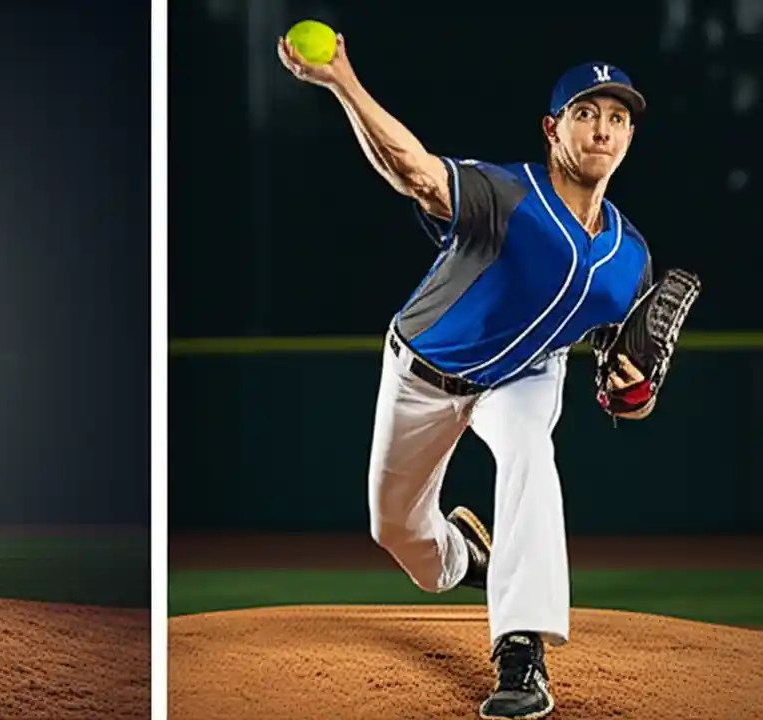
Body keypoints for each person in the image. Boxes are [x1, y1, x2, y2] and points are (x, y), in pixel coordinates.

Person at [278, 33, 656, 720]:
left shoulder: (631, 258)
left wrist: (630, 394)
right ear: (552, 128)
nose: (603, 127)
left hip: (525, 376)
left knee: (530, 456)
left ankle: (522, 654)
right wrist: (343, 82)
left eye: (618, 116)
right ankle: (465, 560)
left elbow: (620, 368)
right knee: (396, 532)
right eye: (585, 112)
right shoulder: (507, 193)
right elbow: (417, 173)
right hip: (427, 371)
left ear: (630, 133)